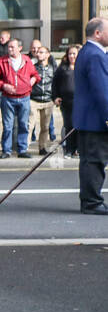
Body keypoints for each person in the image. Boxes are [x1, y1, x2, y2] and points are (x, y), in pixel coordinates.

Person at [73, 17, 108, 214]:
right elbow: (102, 92)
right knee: (94, 161)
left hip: (88, 119)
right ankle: (91, 202)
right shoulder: (95, 55)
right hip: (95, 120)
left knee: (91, 161)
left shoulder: (89, 52)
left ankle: (91, 200)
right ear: (98, 33)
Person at [0, 36, 38, 158]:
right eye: (9, 47)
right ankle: (6, 150)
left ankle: (22, 149)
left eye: (12, 47)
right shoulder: (2, 61)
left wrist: (32, 80)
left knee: (23, 124)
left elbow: (35, 74)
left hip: (24, 97)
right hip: (8, 98)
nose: (10, 49)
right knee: (8, 126)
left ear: (20, 48)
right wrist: (4, 86)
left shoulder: (27, 60)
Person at [29, 41, 57, 154]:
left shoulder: (53, 68)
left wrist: (55, 97)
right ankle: (24, 148)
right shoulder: (33, 68)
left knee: (45, 126)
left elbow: (56, 83)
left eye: (41, 52)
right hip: (34, 99)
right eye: (38, 52)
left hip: (48, 100)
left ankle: (42, 147)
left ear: (47, 54)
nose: (38, 54)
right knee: (30, 125)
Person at [53, 45, 79, 157]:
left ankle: (78, 149)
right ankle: (69, 149)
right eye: (70, 54)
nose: (72, 56)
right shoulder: (62, 68)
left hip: (79, 102)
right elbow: (55, 84)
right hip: (66, 102)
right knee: (69, 125)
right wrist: (55, 97)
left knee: (79, 126)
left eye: (74, 54)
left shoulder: (82, 67)